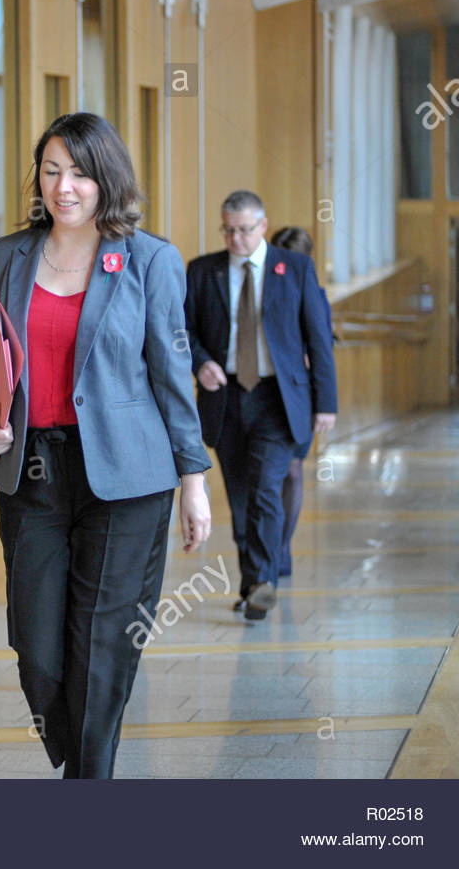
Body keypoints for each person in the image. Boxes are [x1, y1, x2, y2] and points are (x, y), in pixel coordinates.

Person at [0, 111, 212, 779]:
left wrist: (194, 479)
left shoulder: (148, 259)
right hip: (32, 472)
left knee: (101, 642)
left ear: (106, 178)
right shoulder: (9, 255)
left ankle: (89, 782)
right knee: (38, 649)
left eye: (78, 172)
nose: (63, 186)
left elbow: (171, 370)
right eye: (51, 170)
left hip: (127, 478)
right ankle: (81, 764)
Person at [184, 192, 337, 620]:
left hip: (278, 399)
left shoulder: (296, 270)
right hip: (227, 397)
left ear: (263, 225)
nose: (236, 238)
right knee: (240, 496)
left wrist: (326, 402)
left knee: (268, 487)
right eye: (228, 230)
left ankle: (265, 579)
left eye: (245, 230)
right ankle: (252, 581)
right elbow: (182, 329)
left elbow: (318, 339)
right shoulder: (202, 271)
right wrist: (201, 362)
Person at [267, 225, 331, 579]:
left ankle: (281, 546)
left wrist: (325, 403)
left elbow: (322, 345)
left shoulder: (314, 293)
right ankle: (267, 545)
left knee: (292, 469)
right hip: (265, 393)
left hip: (299, 397)